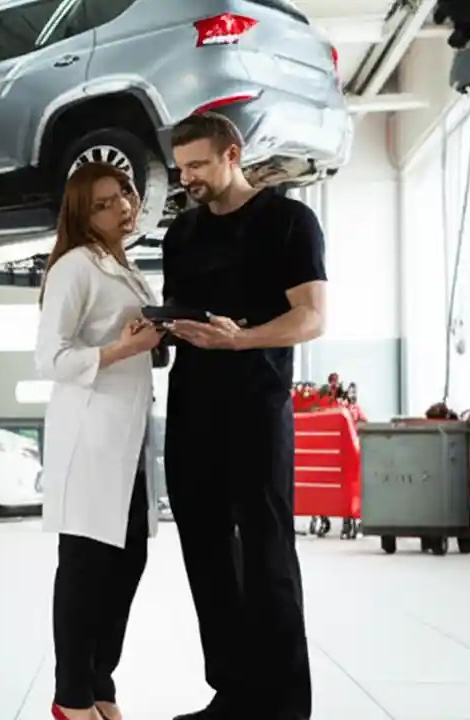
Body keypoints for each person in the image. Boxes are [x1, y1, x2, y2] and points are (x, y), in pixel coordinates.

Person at [159, 112, 327, 720]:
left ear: (233, 154)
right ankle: (232, 694)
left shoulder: (288, 221)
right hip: (191, 410)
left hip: (256, 409)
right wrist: (156, 331)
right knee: (204, 553)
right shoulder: (181, 234)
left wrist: (242, 338)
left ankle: (283, 705)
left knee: (266, 553)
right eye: (182, 168)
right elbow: (182, 313)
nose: (189, 178)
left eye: (199, 165)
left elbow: (311, 318)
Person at [35, 162, 164, 720]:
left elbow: (126, 339)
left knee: (127, 563)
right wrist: (123, 350)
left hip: (129, 438)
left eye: (126, 195)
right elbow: (51, 358)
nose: (123, 208)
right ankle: (72, 698)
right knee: (86, 568)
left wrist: (152, 341)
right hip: (90, 437)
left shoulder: (122, 267)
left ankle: (101, 686)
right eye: (106, 203)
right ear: (82, 214)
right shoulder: (73, 267)